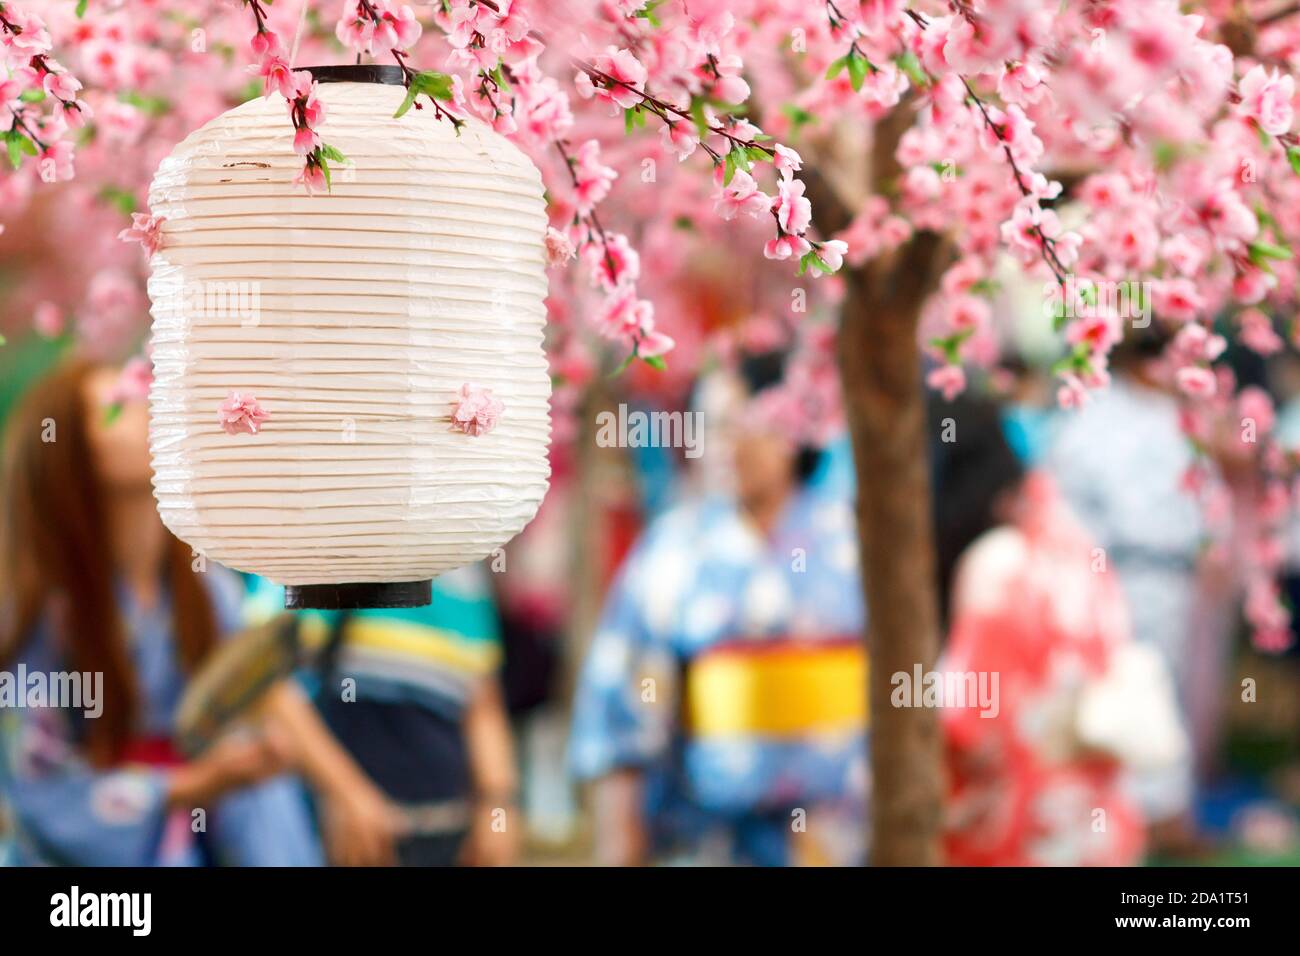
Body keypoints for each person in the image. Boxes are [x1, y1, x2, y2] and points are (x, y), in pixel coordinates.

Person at [0, 360, 392, 866]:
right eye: (119, 408)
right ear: (72, 452)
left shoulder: (204, 586)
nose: (149, 411)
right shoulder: (40, 608)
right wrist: (199, 782)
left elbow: (261, 687)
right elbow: (42, 785)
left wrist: (347, 791)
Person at [569, 354, 866, 866]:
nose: (725, 444)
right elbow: (623, 719)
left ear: (794, 425)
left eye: (744, 424)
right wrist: (621, 844)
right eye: (710, 425)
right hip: (709, 839)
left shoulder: (852, 539)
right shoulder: (674, 549)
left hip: (844, 835)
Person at [934, 396, 1161, 866]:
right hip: (1098, 817)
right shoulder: (1072, 539)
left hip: (1026, 827)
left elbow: (965, 719)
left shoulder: (996, 565)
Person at [245, 566, 520, 866]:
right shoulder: (320, 548)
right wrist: (346, 794)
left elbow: (482, 700)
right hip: (343, 841)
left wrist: (497, 806)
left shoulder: (466, 570)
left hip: (445, 837)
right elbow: (263, 678)